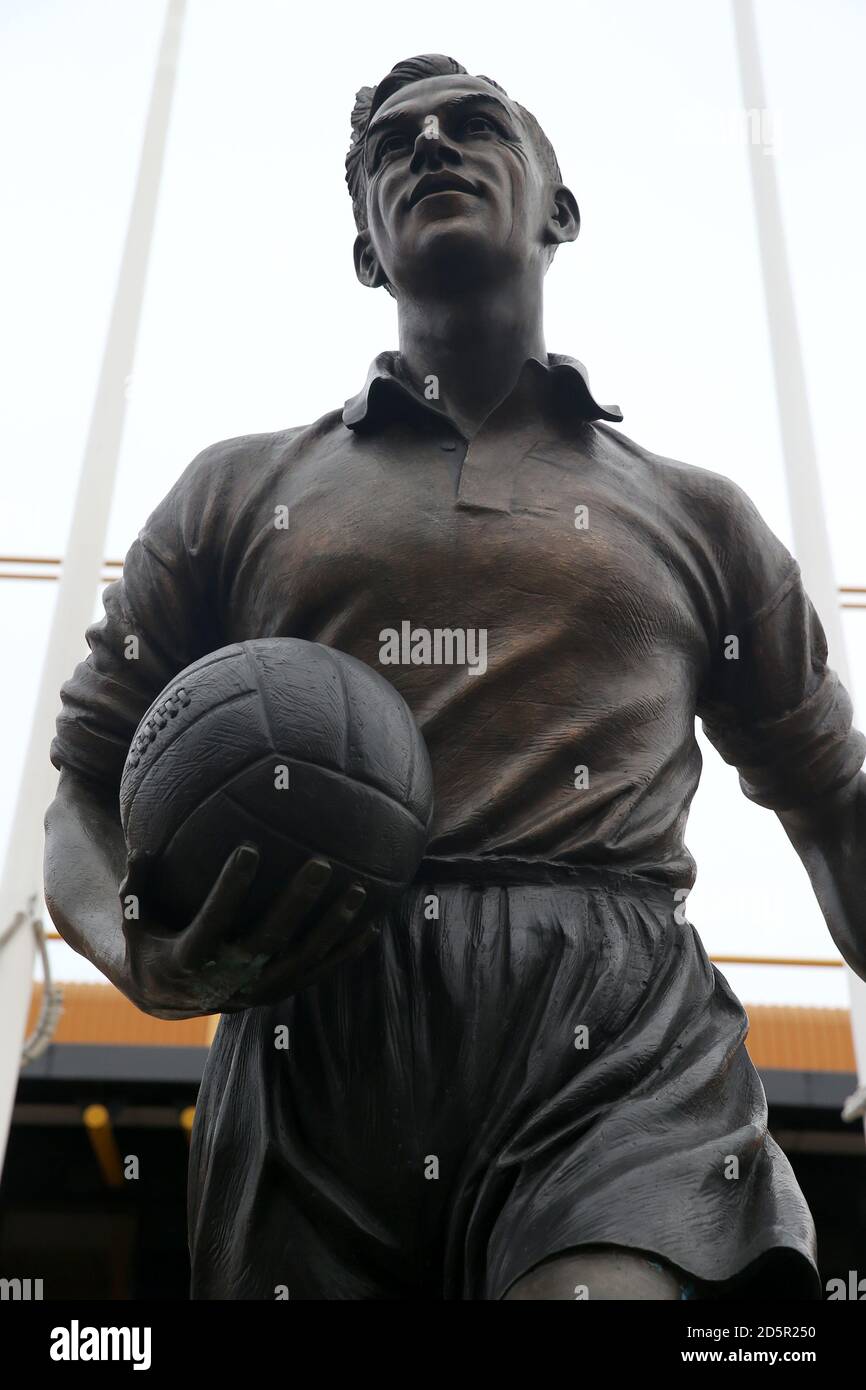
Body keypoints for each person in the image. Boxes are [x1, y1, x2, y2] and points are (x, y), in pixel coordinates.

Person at [44, 53, 866, 1301]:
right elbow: (81, 795)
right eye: (390, 146)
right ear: (367, 253)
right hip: (314, 1025)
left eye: (471, 125)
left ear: (558, 210)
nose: (427, 147)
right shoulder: (235, 493)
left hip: (610, 1028)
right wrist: (142, 946)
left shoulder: (700, 518)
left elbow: (832, 807)